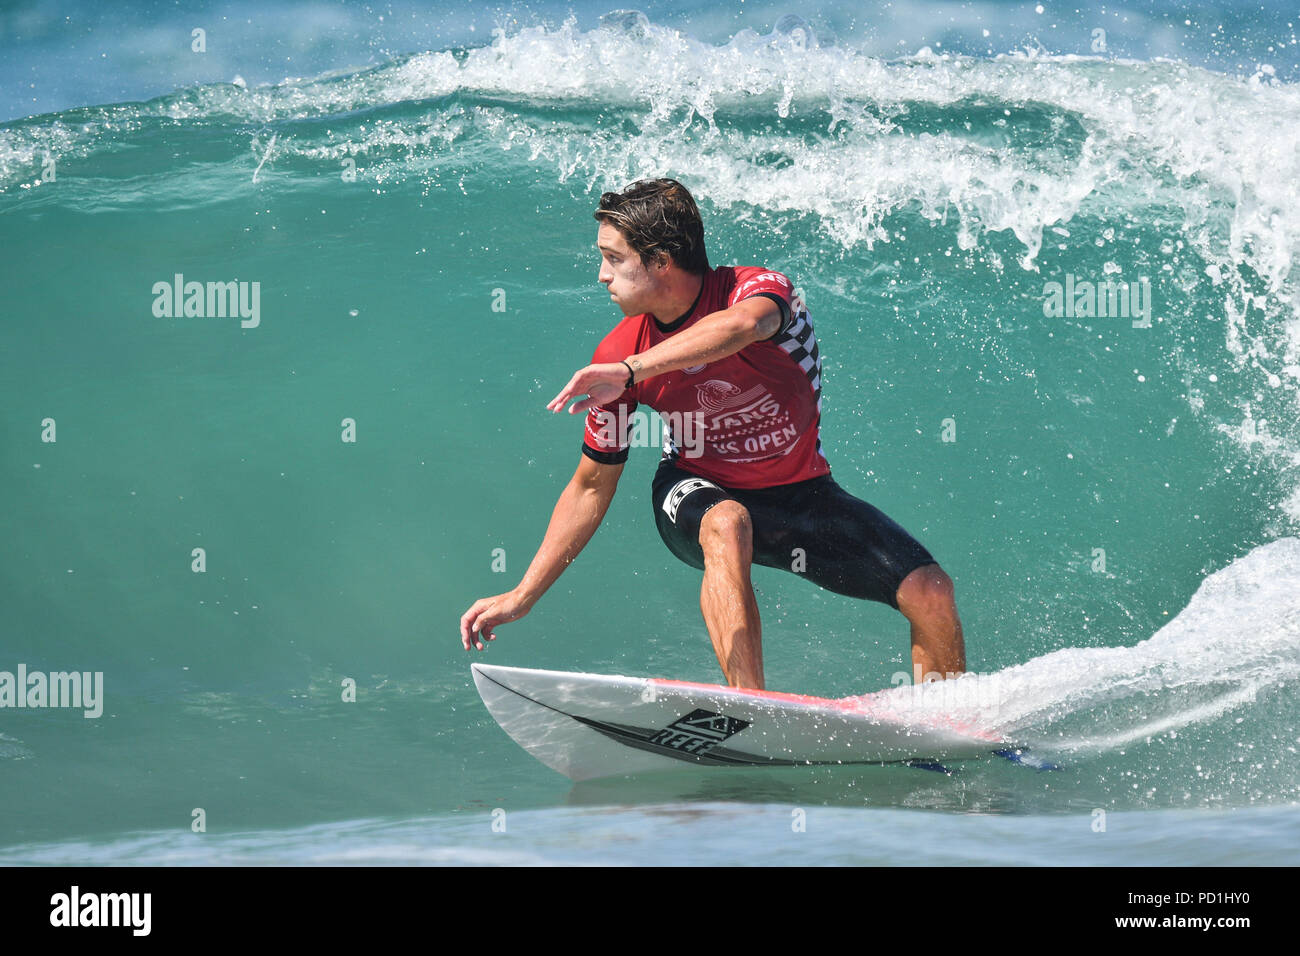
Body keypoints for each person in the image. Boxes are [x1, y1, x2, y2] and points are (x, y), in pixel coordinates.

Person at [459, 178, 965, 690]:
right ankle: (752, 707)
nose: (601, 275)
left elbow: (741, 327)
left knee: (931, 590)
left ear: (660, 261)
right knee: (727, 522)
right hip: (696, 491)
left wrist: (632, 370)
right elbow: (591, 485)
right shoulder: (615, 355)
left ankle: (944, 722)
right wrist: (523, 594)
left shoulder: (759, 289)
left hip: (802, 495)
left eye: (613, 259)